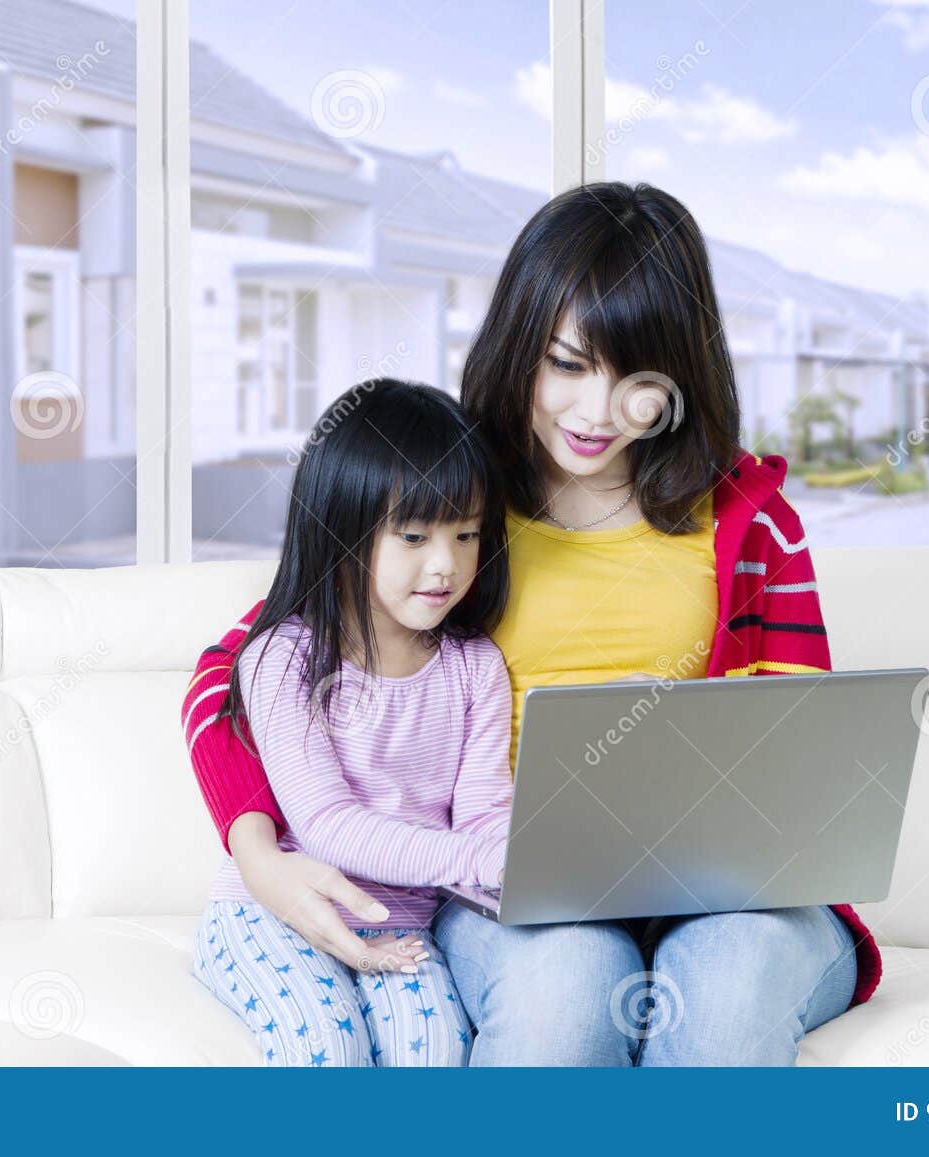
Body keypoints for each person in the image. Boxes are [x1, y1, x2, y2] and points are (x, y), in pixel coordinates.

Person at [183, 182, 881, 1066]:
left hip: (733, 899)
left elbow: (798, 753)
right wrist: (258, 853)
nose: (597, 412)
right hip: (512, 886)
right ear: (521, 347)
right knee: (560, 1005)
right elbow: (238, 668)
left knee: (724, 1003)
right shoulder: (451, 498)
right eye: (569, 364)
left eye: (639, 381)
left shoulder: (752, 522)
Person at [187, 380, 514, 1067]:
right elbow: (328, 823)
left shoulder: (475, 665)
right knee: (330, 1047)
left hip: (405, 922)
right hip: (273, 912)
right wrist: (480, 858)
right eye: (415, 536)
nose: (445, 564)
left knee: (433, 1054)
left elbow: (486, 814)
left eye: (467, 534)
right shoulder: (283, 655)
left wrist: (519, 859)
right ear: (341, 530)